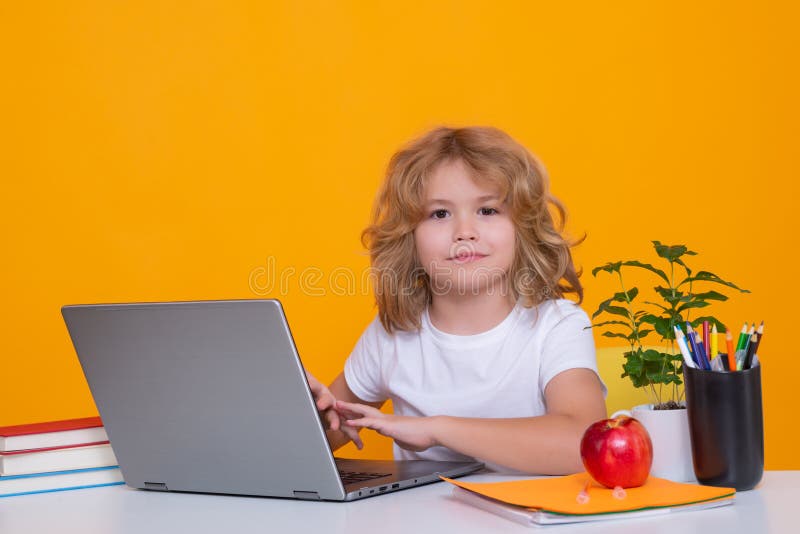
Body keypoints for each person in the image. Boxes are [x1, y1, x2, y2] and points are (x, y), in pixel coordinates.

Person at [306, 126, 606, 474]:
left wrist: (436, 430)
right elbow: (321, 437)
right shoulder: (392, 334)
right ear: (409, 238)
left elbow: (582, 443)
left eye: (488, 210)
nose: (465, 232)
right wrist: (310, 411)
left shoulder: (557, 325)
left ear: (522, 227)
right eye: (440, 214)